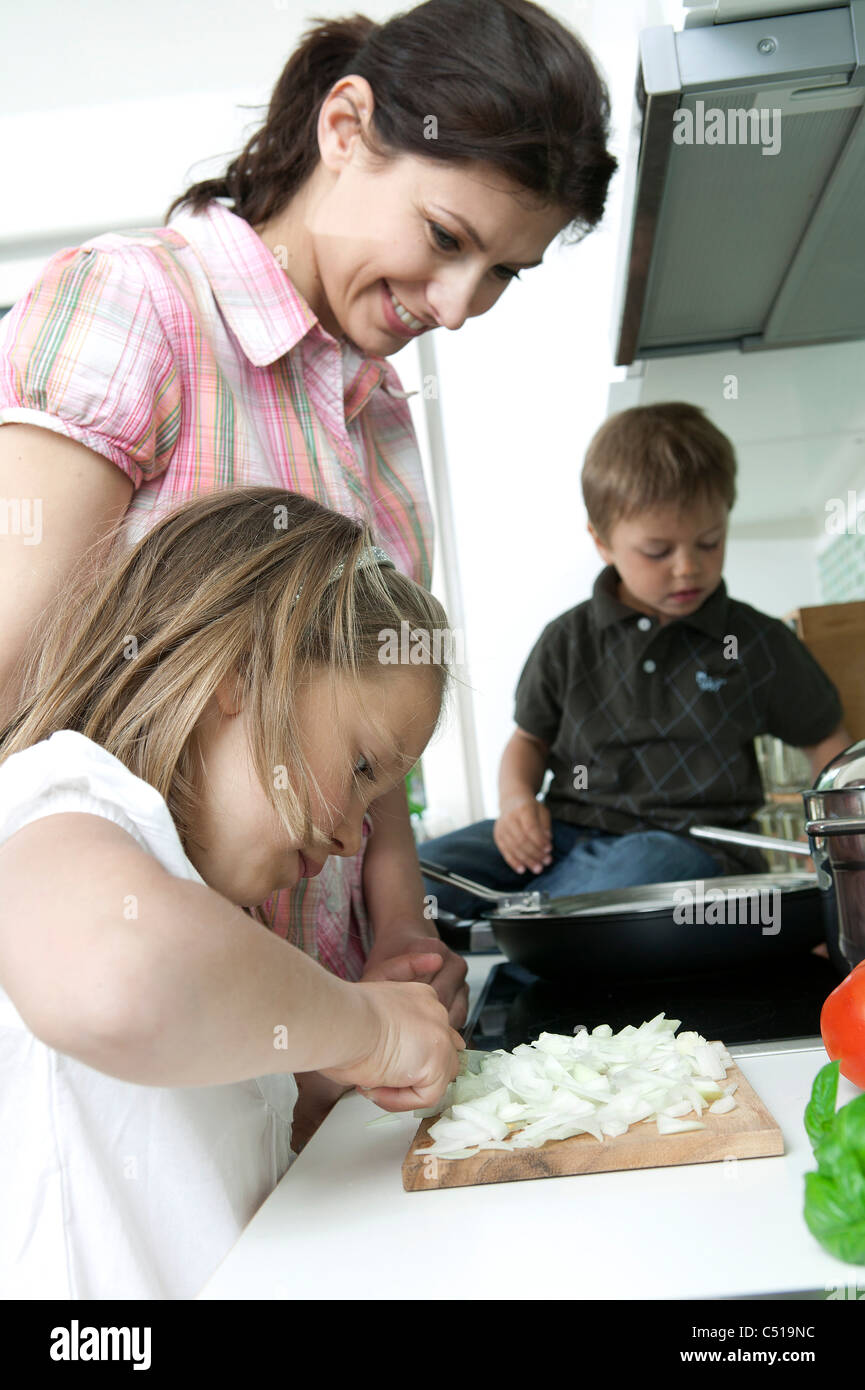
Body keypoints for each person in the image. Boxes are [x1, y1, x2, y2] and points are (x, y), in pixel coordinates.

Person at [0, 1, 617, 1057]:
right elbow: (10, 673)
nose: (462, 306)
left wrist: (398, 936)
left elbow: (368, 731)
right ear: (345, 129)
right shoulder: (135, 305)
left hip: (297, 1056)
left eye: (505, 272)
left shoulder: (381, 422)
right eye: (446, 239)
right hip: (131, 1040)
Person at [0, 486, 464, 1299]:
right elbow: (120, 980)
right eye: (360, 768)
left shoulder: (199, 910)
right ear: (238, 672)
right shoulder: (58, 796)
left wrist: (314, 1081)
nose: (355, 838)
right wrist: (364, 1030)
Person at [421, 403, 851, 919]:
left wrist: (837, 848)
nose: (688, 567)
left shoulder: (759, 640)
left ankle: (535, 919)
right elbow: (528, 742)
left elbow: (827, 740)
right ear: (602, 542)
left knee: (648, 866)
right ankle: (548, 918)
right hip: (566, 835)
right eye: (656, 551)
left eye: (710, 542)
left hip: (693, 847)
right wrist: (516, 804)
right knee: (422, 873)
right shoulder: (566, 640)